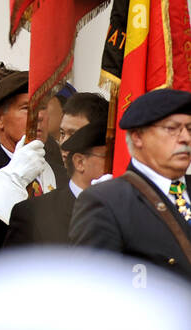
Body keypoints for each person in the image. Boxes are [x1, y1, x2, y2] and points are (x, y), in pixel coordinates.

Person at [72, 88, 191, 281]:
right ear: (137, 137)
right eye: (172, 128)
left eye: (189, 128)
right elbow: (95, 290)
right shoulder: (107, 202)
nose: (185, 138)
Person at [0, 70, 57, 251]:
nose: (40, 116)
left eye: (43, 107)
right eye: (27, 108)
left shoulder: (60, 172)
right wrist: (13, 180)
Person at [5, 120, 107, 247]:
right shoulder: (32, 214)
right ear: (80, 162)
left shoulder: (120, 211)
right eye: (107, 158)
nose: (115, 165)